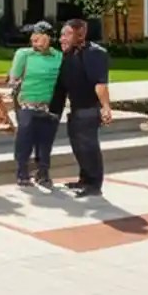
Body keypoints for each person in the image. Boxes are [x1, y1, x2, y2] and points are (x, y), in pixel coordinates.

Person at [50, 19, 112, 198]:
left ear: (81, 34)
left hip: (89, 109)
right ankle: (84, 179)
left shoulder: (95, 54)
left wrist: (106, 107)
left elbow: (100, 84)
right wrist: (54, 112)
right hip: (76, 110)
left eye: (66, 34)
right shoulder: (69, 54)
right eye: (62, 34)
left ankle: (94, 184)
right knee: (78, 146)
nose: (62, 38)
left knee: (88, 147)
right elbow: (62, 86)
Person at [9, 21, 63, 188]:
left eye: (37, 34)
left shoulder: (59, 57)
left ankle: (43, 172)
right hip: (27, 105)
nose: (33, 38)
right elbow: (14, 79)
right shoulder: (23, 55)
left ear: (48, 37)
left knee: (46, 142)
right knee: (25, 139)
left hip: (50, 106)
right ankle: (22, 172)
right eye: (32, 35)